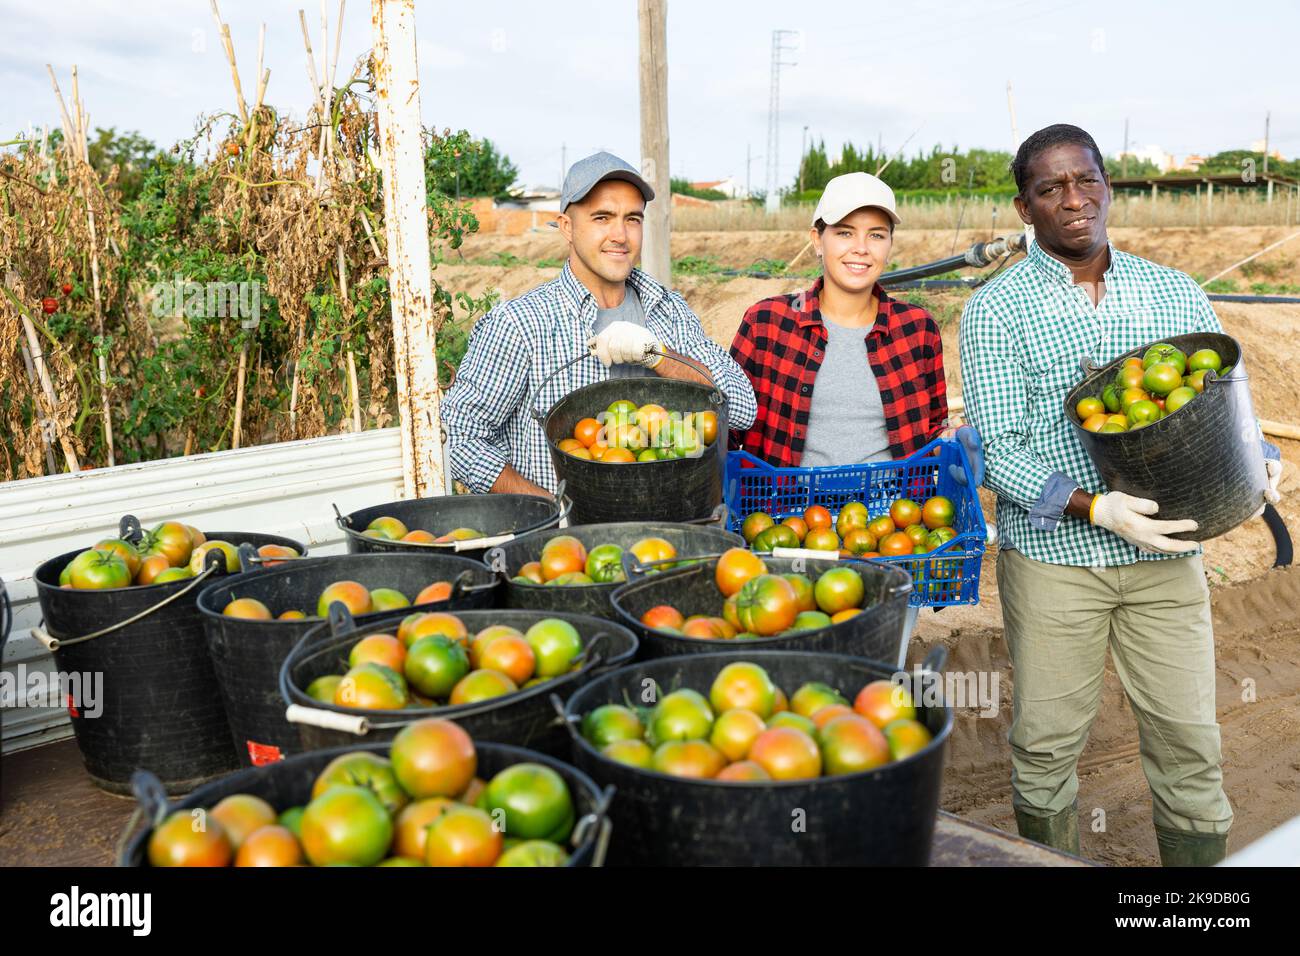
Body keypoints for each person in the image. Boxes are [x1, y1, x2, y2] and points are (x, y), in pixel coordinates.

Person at [959, 123, 1285, 866]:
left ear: (1108, 186)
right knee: (1044, 747)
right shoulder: (996, 309)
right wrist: (1095, 506)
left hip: (1168, 558)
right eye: (1051, 188)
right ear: (1024, 208)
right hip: (1054, 561)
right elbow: (997, 448)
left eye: (1086, 181)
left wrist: (1257, 454)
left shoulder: (1172, 290)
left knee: (1190, 741)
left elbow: (1219, 399)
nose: (1073, 200)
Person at [729, 171, 983, 665]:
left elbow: (930, 430)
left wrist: (957, 450)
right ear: (816, 238)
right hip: (786, 521)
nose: (859, 248)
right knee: (793, 658)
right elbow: (733, 427)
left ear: (890, 245)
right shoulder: (767, 322)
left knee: (877, 665)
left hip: (889, 525)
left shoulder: (918, 330)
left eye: (876, 234)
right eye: (844, 232)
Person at [442, 152, 757, 496]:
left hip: (664, 536)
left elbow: (741, 409)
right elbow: (459, 434)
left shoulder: (669, 312)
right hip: (561, 545)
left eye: (632, 219)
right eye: (602, 217)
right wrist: (551, 511)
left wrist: (659, 356)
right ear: (567, 227)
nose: (620, 235)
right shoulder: (520, 325)